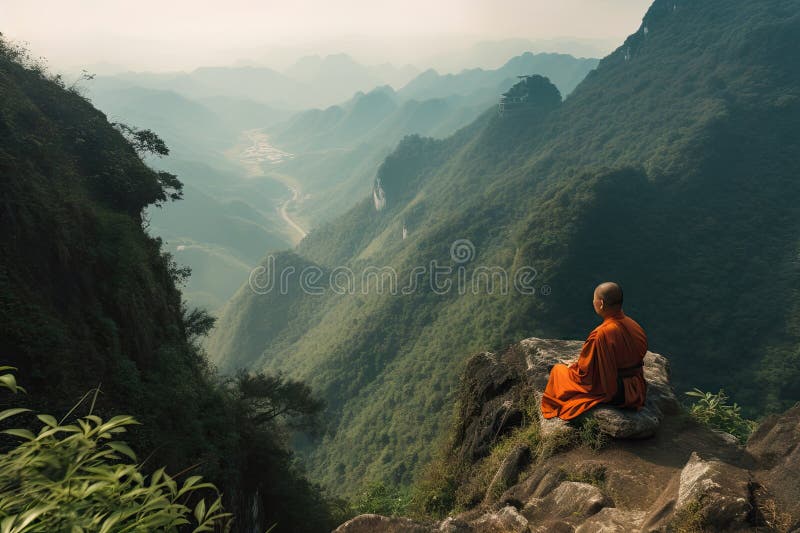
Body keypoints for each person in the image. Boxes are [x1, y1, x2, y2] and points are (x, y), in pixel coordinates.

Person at [541, 282, 648, 420]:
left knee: (558, 371)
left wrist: (573, 367)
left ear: (601, 303)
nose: (593, 302)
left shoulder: (600, 334)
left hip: (615, 392)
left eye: (594, 299)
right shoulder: (635, 326)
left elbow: (586, 375)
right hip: (638, 387)